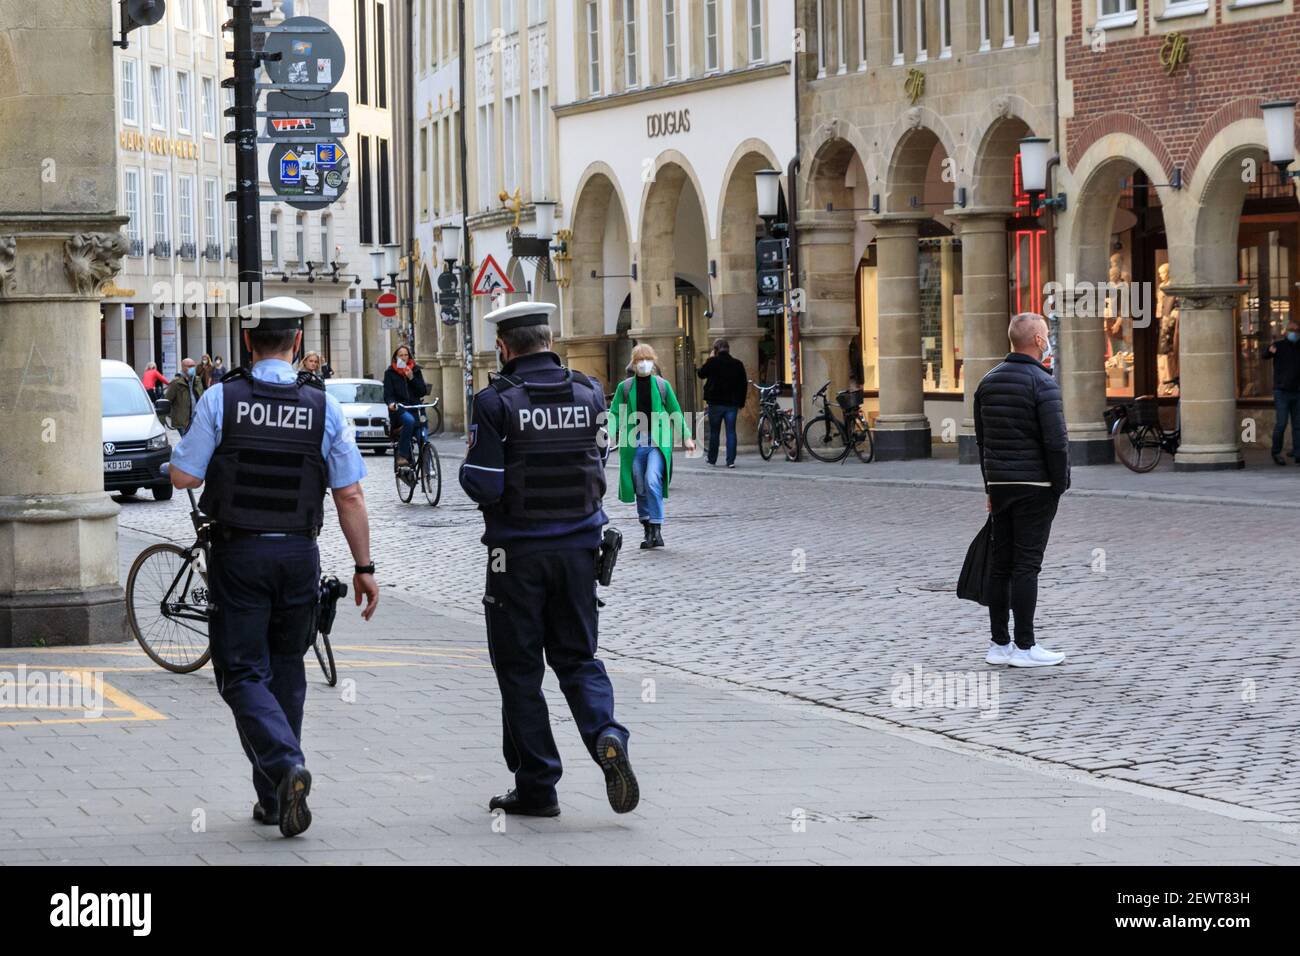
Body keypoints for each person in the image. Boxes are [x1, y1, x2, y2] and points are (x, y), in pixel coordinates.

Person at [169, 296, 379, 838]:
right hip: (298, 556)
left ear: (247, 342)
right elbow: (350, 495)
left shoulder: (222, 399)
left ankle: (285, 766)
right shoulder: (323, 407)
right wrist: (364, 566)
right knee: (287, 670)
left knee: (241, 671)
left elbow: (183, 478)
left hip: (240, 555)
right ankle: (273, 797)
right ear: (299, 343)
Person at [458, 300, 638, 818]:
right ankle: (606, 732)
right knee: (578, 657)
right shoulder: (587, 391)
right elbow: (596, 462)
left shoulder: (495, 402)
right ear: (550, 340)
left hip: (517, 555)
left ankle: (538, 785)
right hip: (582, 549)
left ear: (505, 347)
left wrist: (477, 474)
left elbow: (485, 484)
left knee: (519, 670)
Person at [973, 313, 1069, 668]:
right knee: (1027, 565)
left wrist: (989, 484)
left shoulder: (988, 381)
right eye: (1045, 335)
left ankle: (999, 644)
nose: (1048, 341)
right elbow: (1056, 442)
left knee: (1002, 565)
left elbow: (983, 440)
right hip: (1035, 485)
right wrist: (1059, 484)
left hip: (1000, 484)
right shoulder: (1043, 383)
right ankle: (1026, 647)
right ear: (1039, 341)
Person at [609, 344, 695, 549]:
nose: (644, 363)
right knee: (639, 484)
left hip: (657, 441)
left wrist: (687, 437)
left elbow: (675, 411)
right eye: (640, 360)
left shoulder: (662, 385)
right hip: (634, 442)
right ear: (634, 363)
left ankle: (657, 528)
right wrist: (609, 433)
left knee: (652, 480)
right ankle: (647, 529)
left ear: (653, 361)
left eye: (647, 359)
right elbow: (614, 413)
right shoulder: (626, 387)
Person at [696, 337, 748, 468]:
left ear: (715, 350)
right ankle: (730, 461)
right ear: (728, 349)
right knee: (731, 431)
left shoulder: (713, 362)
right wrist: (740, 402)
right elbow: (743, 385)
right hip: (732, 403)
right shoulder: (737, 364)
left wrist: (710, 358)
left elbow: (701, 374)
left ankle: (712, 459)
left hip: (715, 403)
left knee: (715, 432)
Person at [383, 344, 429, 467]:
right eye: (401, 355)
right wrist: (391, 403)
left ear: (409, 356)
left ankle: (428, 469)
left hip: (415, 407)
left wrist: (411, 378)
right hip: (400, 408)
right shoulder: (390, 372)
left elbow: (422, 391)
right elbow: (388, 394)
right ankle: (402, 455)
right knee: (409, 421)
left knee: (423, 437)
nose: (403, 358)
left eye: (406, 355)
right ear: (396, 357)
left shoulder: (415, 370)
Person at [1266, 319, 1300, 466]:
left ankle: (1298, 452)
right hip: (1281, 391)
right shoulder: (1278, 346)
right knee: (1281, 423)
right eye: (1291, 330)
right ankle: (1276, 452)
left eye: (1297, 331)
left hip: (1298, 391)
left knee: (1298, 425)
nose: (1294, 333)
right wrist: (1268, 350)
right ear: (1286, 332)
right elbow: (1265, 355)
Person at [164, 358, 205, 435]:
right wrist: (174, 415)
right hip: (183, 421)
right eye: (189, 366)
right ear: (183, 367)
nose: (192, 368)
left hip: (196, 419)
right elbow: (167, 400)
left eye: (193, 366)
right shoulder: (176, 383)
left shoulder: (197, 380)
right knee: (187, 442)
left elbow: (202, 396)